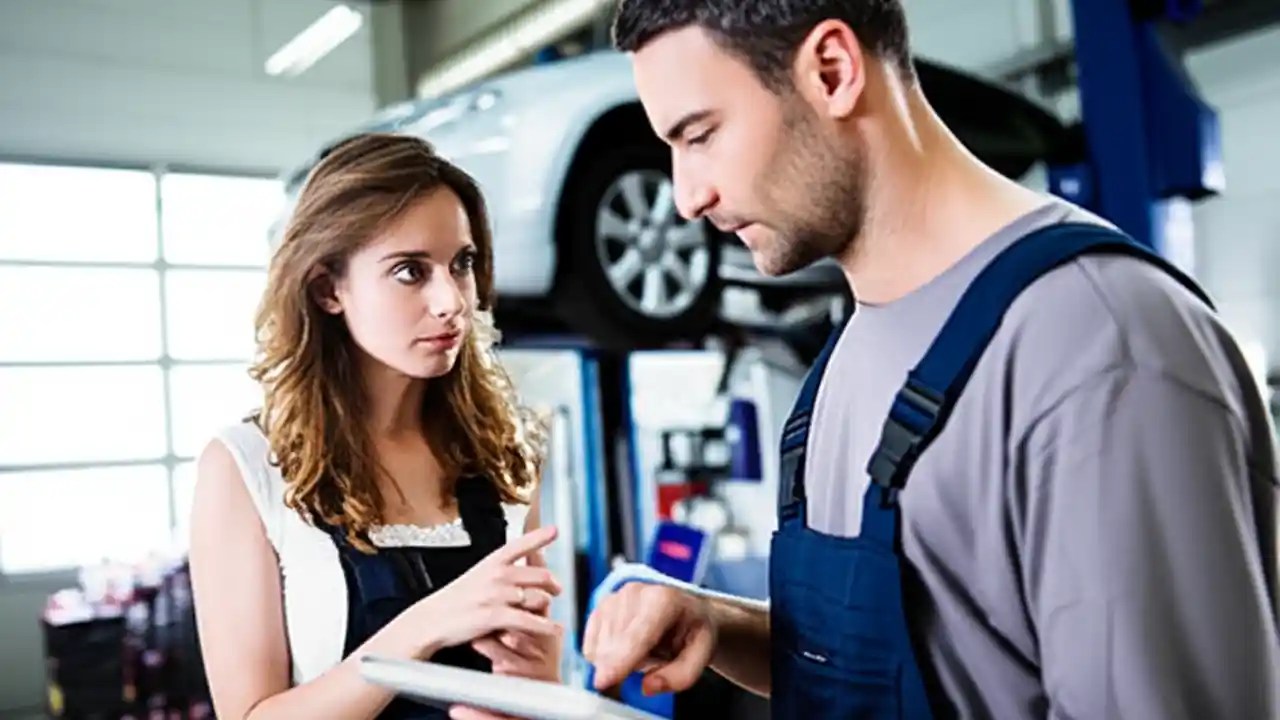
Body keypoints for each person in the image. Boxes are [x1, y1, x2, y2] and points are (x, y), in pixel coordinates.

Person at [584, 2, 1280, 718]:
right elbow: (942, 657)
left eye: (700, 135)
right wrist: (720, 625)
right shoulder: (848, 357)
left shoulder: (1099, 350)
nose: (687, 197)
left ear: (833, 71)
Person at [189, 133, 565, 720]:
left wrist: (540, 691)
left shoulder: (505, 458)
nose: (451, 302)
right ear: (327, 289)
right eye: (410, 271)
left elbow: (533, 687)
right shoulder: (243, 469)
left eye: (461, 265)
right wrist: (427, 624)